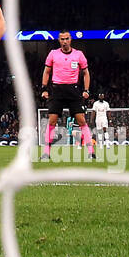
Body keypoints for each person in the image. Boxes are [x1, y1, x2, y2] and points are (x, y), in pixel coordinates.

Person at [40, 31, 95, 160]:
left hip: (73, 90)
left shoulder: (78, 54)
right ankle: (46, 153)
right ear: (59, 40)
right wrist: (44, 88)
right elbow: (46, 72)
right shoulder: (53, 54)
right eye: (62, 39)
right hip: (57, 89)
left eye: (67, 39)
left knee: (81, 121)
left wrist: (86, 90)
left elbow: (86, 73)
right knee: (52, 121)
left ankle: (91, 152)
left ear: (71, 39)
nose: (64, 41)